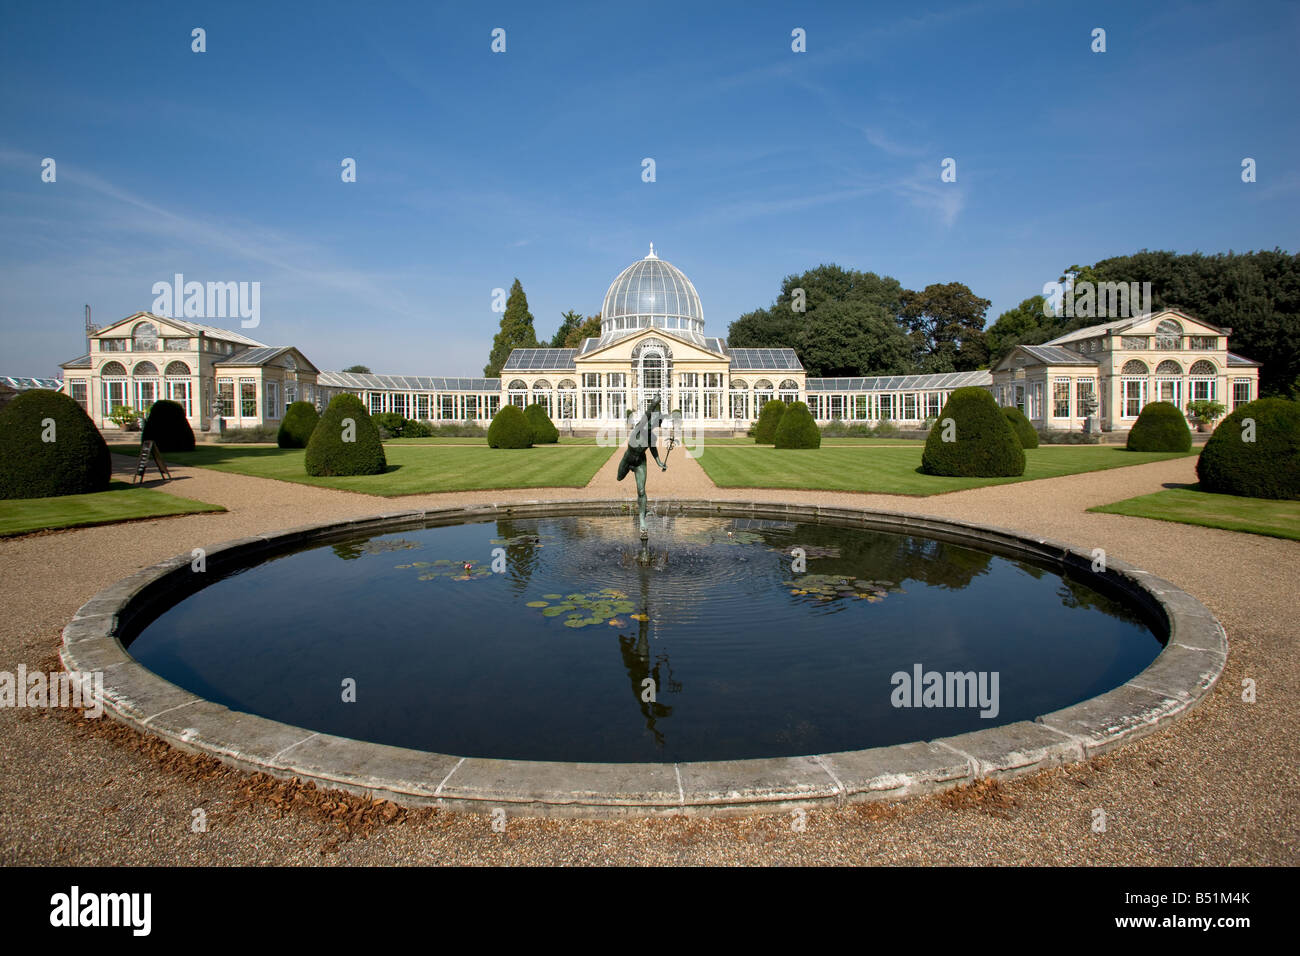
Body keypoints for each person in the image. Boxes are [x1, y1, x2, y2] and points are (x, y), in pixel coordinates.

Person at [617, 400, 667, 537]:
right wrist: (654, 402)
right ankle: (642, 511)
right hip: (628, 458)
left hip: (640, 462)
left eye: (656, 424)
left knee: (641, 490)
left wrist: (659, 462)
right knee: (619, 478)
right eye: (653, 422)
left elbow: (653, 449)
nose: (654, 425)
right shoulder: (640, 426)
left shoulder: (652, 436)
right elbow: (646, 413)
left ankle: (642, 518)